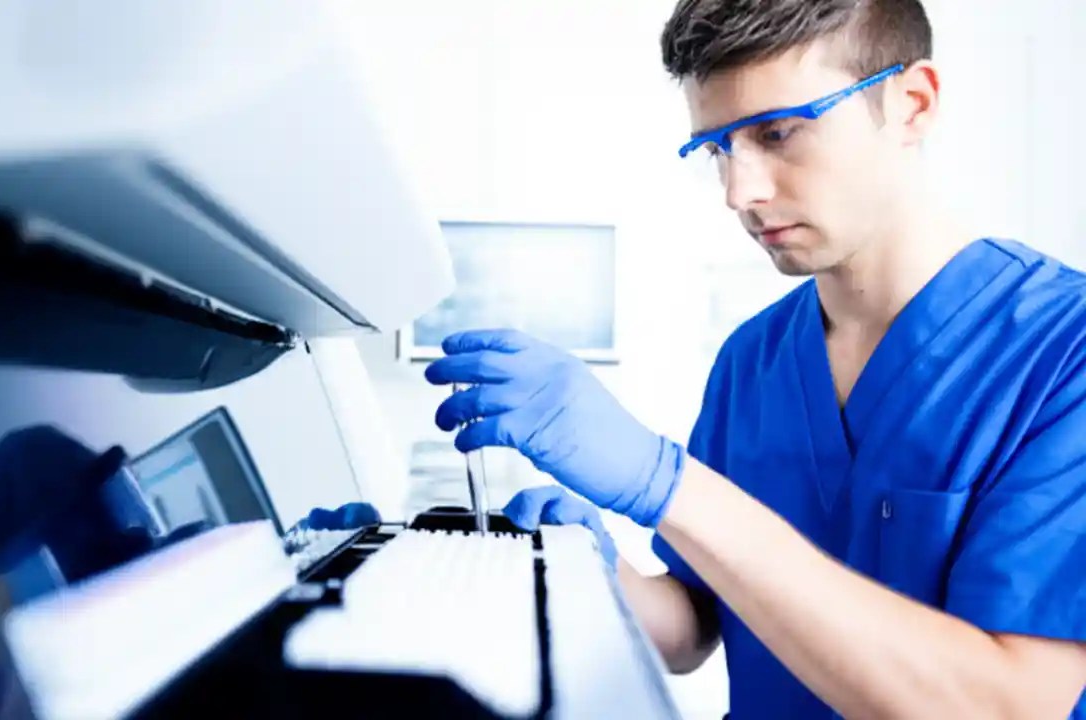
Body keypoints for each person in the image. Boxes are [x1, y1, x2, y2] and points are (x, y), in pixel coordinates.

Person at [425, 1, 1086, 717]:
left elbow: (1007, 705)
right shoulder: (754, 359)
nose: (740, 193)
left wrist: (666, 485)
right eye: (718, 149)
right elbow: (694, 628)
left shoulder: (1062, 351)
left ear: (912, 104)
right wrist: (583, 569)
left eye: (778, 133)